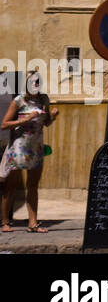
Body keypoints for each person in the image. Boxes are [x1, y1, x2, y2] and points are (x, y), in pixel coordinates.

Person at [0, 70, 58, 233]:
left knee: (33, 185)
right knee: (11, 185)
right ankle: (5, 222)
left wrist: (52, 117)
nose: (36, 84)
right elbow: (4, 124)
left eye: (38, 82)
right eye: (33, 82)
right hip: (19, 147)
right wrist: (25, 119)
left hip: (36, 147)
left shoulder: (43, 99)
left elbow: (45, 123)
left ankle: (33, 223)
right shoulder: (19, 100)